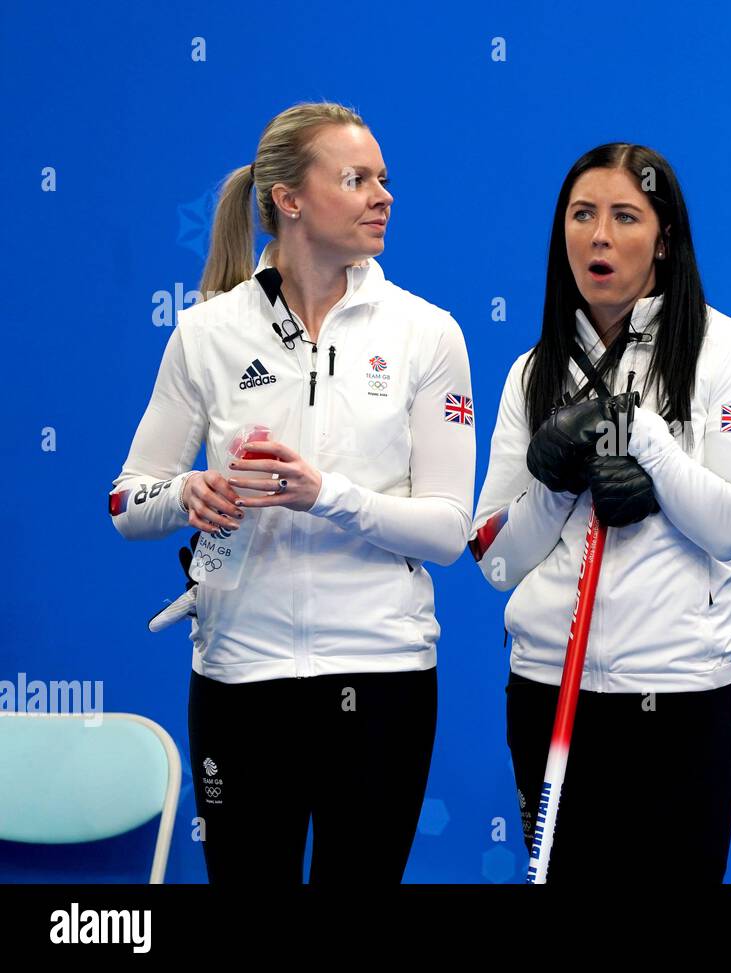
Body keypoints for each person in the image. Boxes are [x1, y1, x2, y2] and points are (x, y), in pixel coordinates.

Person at [108, 102, 475, 883]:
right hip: (241, 678)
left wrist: (325, 493)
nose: (384, 196)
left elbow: (448, 530)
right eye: (356, 178)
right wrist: (188, 493)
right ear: (290, 198)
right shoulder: (206, 332)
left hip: (382, 678)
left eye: (384, 179)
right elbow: (125, 505)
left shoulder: (426, 333)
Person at [469, 143, 731, 883]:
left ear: (664, 239)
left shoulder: (730, 353)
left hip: (680, 701)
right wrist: (553, 485)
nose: (599, 237)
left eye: (624, 216)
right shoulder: (532, 370)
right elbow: (497, 561)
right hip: (549, 692)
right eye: (582, 215)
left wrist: (648, 448)